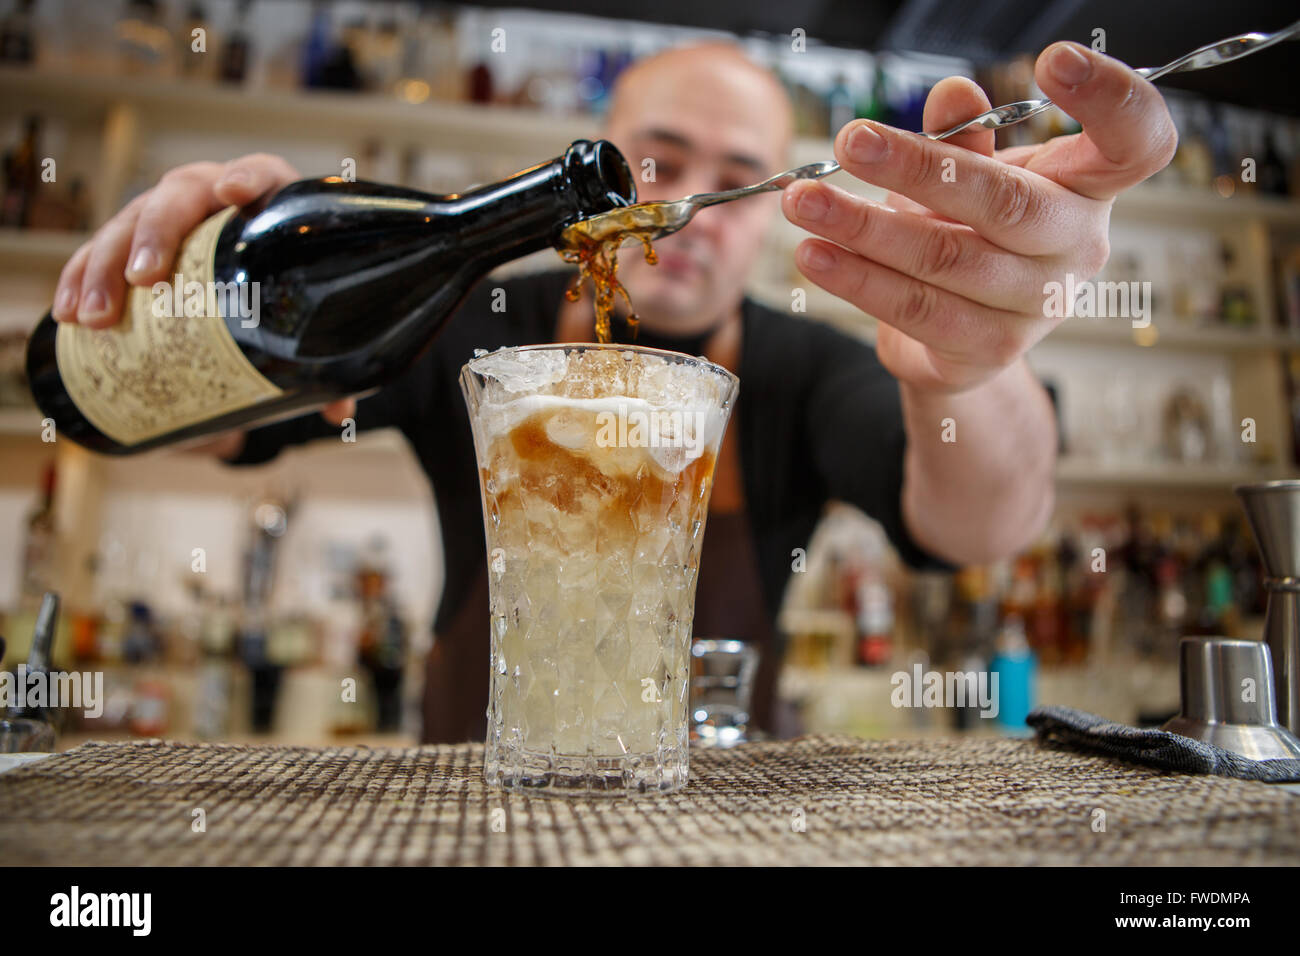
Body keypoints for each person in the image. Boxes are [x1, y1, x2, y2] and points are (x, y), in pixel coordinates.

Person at [49, 41, 1176, 742]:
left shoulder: (808, 367)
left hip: (728, 804)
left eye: (732, 180)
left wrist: (972, 362)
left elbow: (983, 521)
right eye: (656, 159)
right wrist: (180, 299)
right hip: (469, 794)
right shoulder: (463, 318)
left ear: (775, 211)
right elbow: (211, 433)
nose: (682, 205)